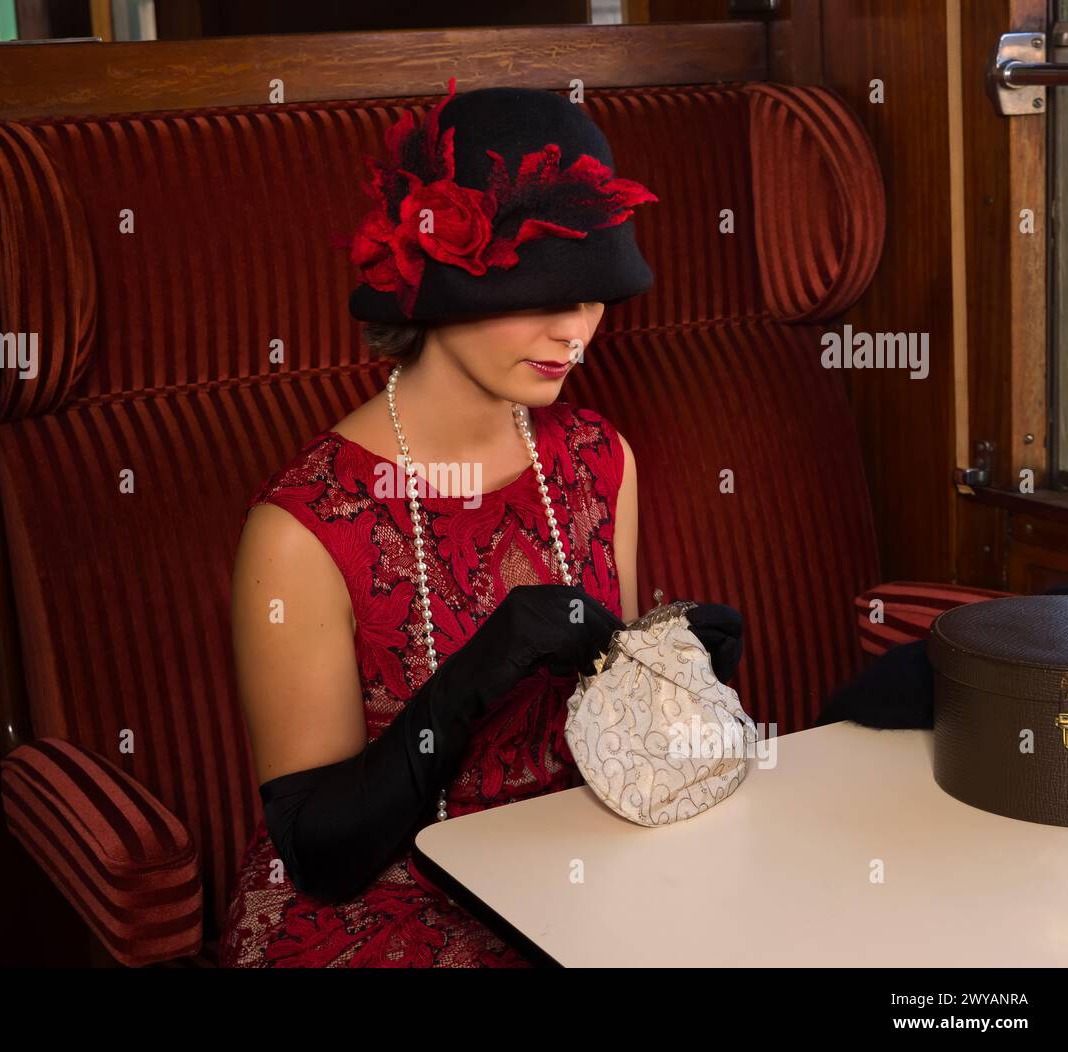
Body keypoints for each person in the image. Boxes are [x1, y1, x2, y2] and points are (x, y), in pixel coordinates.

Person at [218, 81, 725, 967]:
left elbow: (617, 742)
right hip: (384, 895)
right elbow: (323, 852)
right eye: (543, 294)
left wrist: (677, 671)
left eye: (595, 295)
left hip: (579, 862)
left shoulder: (603, 459)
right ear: (435, 283)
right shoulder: (300, 530)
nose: (578, 331)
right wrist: (473, 678)